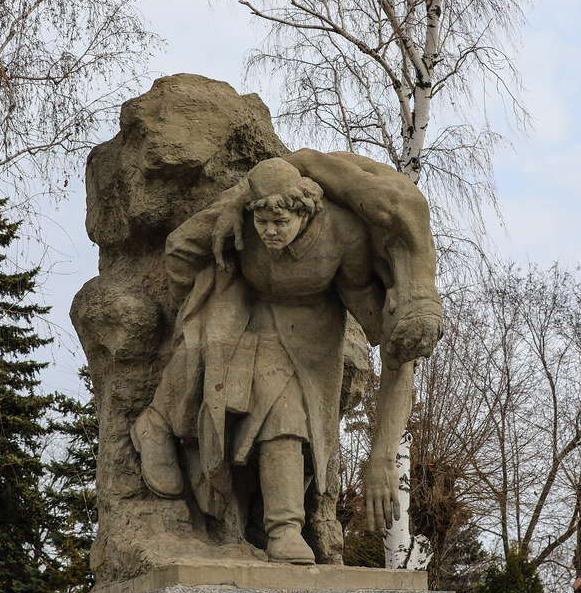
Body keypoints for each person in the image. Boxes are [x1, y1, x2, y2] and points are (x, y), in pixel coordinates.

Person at [130, 151, 442, 564]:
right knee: (201, 351)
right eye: (263, 223)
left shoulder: (343, 233)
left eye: (281, 223)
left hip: (308, 334)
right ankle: (154, 425)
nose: (271, 232)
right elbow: (178, 254)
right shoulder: (240, 220)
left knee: (287, 415)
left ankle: (284, 530)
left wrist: (383, 455)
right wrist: (222, 227)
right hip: (242, 305)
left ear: (306, 212)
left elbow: (381, 334)